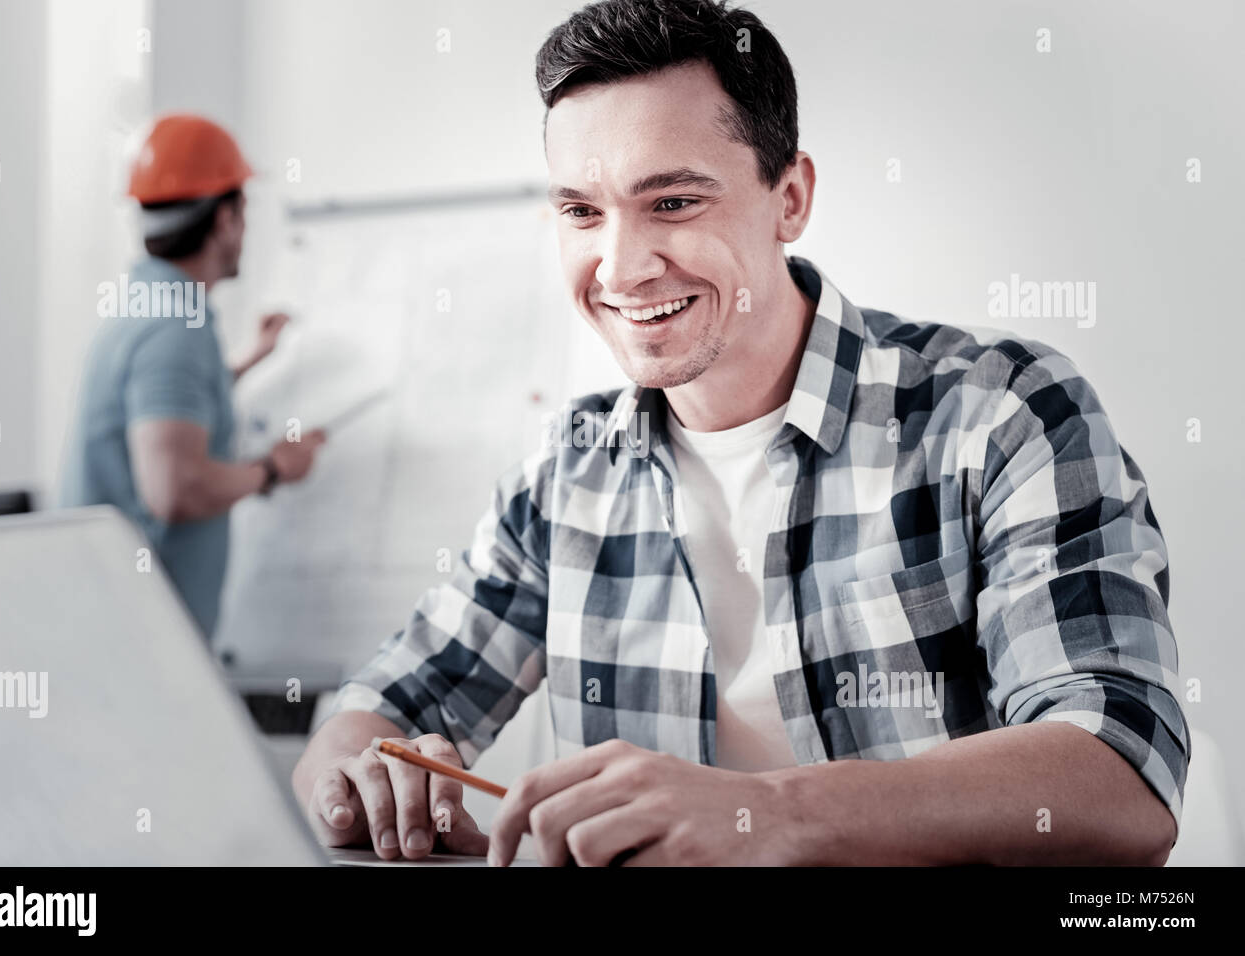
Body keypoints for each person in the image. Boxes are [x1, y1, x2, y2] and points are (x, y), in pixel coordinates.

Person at [294, 0, 1188, 866]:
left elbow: (1120, 773)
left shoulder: (1001, 413)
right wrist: (359, 773)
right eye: (580, 212)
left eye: (673, 202)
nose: (620, 265)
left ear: (789, 197)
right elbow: (372, 711)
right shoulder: (566, 474)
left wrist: (769, 814)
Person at [61, 114, 325, 640]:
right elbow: (174, 489)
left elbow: (163, 411)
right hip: (138, 646)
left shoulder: (149, 308)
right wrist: (273, 468)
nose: (245, 229)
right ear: (225, 219)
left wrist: (248, 362)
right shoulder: (173, 329)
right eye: (244, 212)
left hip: (117, 631)